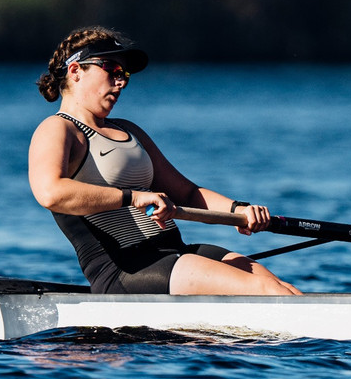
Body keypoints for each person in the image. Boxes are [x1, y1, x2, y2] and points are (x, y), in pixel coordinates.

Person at [27, 27, 300, 296]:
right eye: (112, 70)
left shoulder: (128, 130)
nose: (121, 82)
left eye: (125, 75)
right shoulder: (57, 129)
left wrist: (239, 210)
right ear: (76, 71)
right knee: (263, 290)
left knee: (283, 289)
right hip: (127, 269)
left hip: (174, 253)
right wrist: (133, 197)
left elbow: (188, 192)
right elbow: (51, 193)